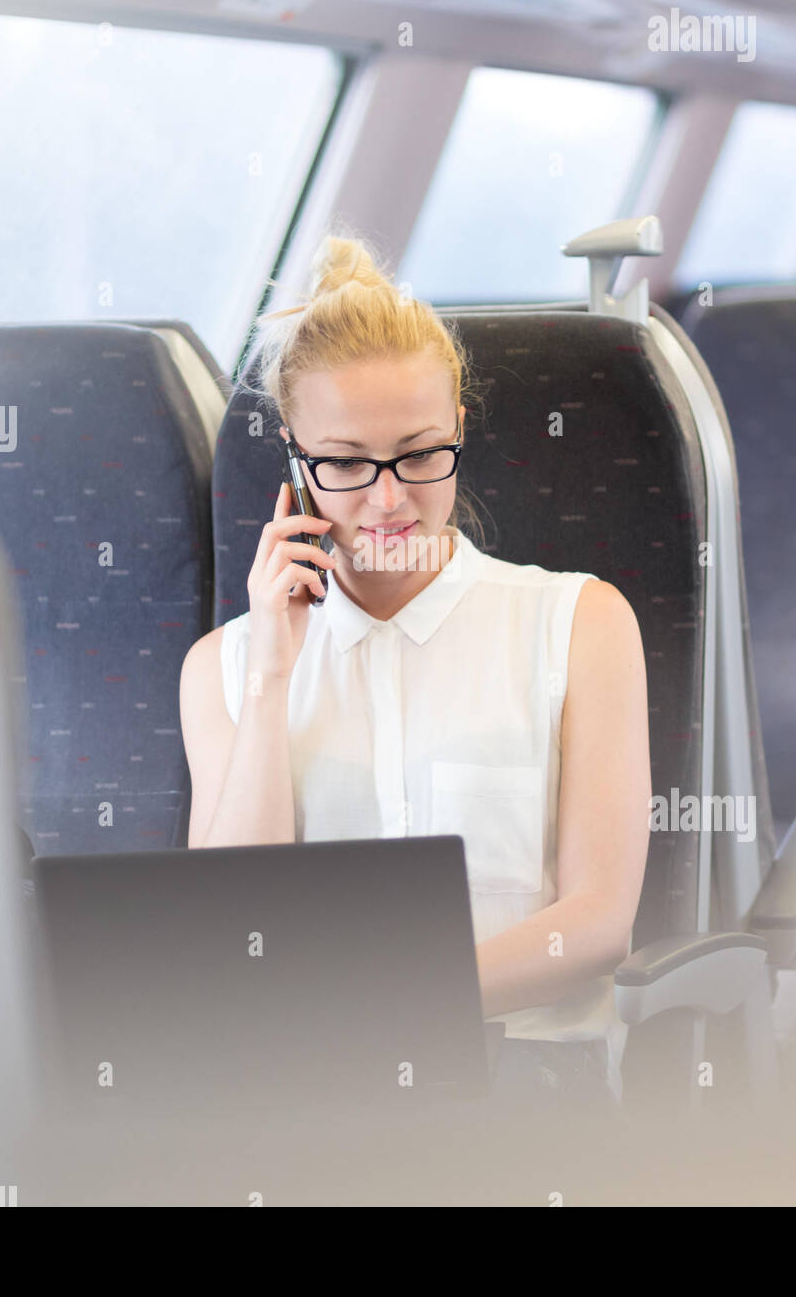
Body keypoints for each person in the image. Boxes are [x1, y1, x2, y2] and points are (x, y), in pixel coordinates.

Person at [179, 232, 651, 1108]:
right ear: (295, 459)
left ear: (460, 431)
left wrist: (397, 1007)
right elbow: (230, 935)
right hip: (312, 1100)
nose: (389, 498)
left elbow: (596, 926)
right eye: (347, 463)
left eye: (420, 453)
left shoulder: (580, 624)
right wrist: (272, 675)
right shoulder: (227, 666)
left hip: (524, 1083)